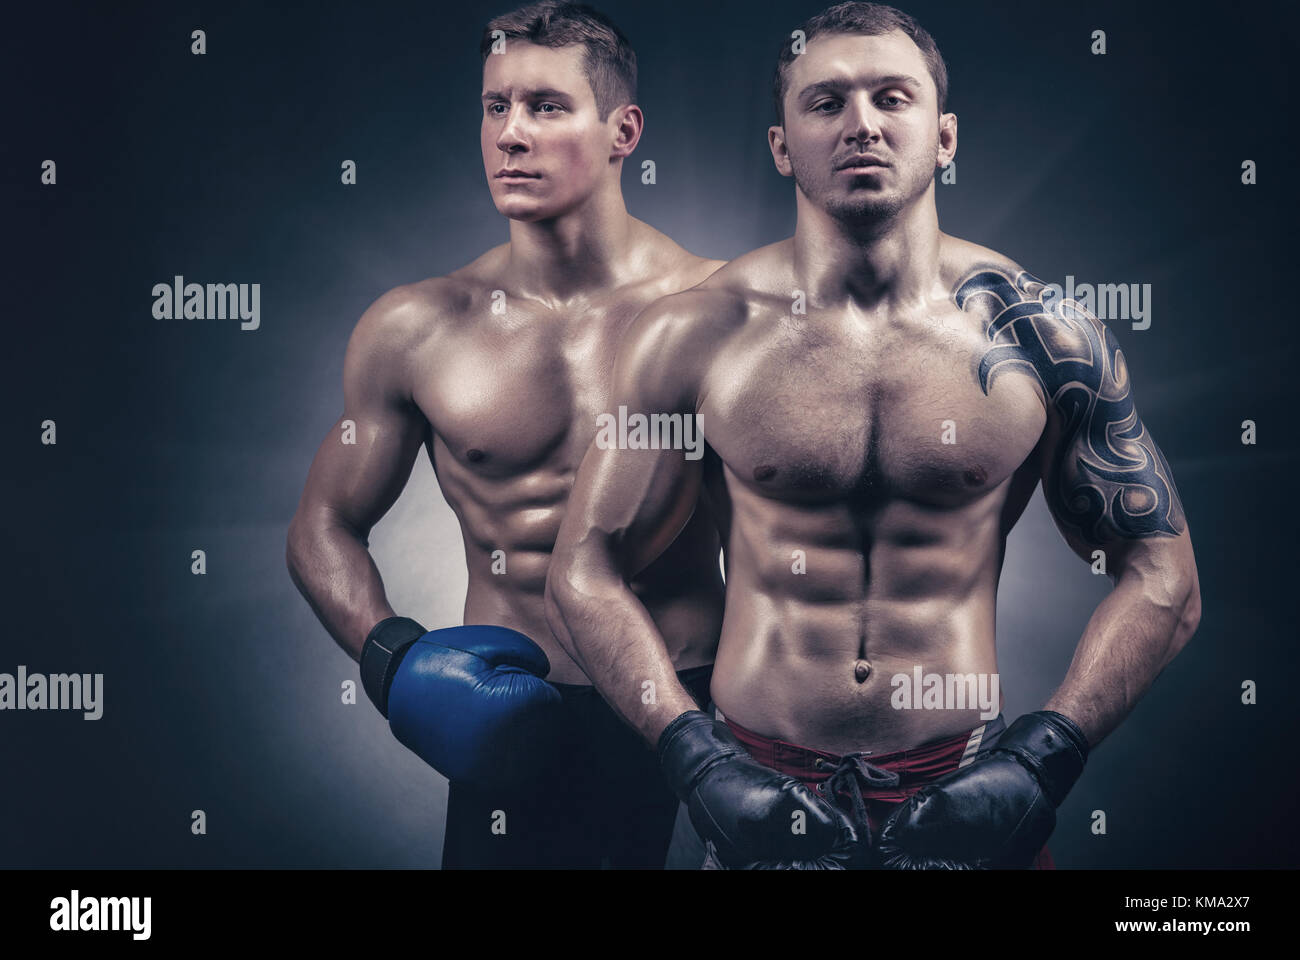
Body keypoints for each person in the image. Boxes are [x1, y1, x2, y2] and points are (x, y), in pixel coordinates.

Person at [546, 1, 1201, 869]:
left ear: (945, 136)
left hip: (968, 788)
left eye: (894, 98)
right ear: (782, 146)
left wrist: (1045, 758)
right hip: (755, 790)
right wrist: (692, 758)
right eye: (826, 103)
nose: (862, 125)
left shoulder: (1043, 335)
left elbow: (1166, 578)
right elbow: (584, 569)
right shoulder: (696, 334)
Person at [286, 1, 724, 868]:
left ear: (622, 130)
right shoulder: (418, 326)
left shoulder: (715, 311)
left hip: (695, 706)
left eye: (546, 107)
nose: (511, 135)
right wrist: (396, 663)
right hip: (509, 715)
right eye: (496, 107)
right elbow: (321, 529)